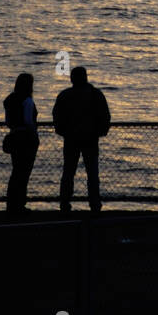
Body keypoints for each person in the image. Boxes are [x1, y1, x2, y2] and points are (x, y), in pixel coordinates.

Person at [52, 65, 111, 214]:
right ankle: (95, 204)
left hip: (71, 139)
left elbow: (57, 117)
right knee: (92, 174)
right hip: (90, 139)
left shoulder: (65, 95)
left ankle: (65, 204)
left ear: (72, 79)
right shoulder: (95, 94)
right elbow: (105, 116)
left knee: (68, 173)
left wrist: (63, 131)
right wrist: (100, 131)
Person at [3, 72, 40, 214]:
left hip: (14, 136)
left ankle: (12, 203)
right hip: (27, 138)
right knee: (24, 172)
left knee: (16, 171)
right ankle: (20, 204)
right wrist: (33, 133)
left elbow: (8, 121)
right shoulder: (28, 101)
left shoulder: (10, 100)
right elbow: (29, 121)